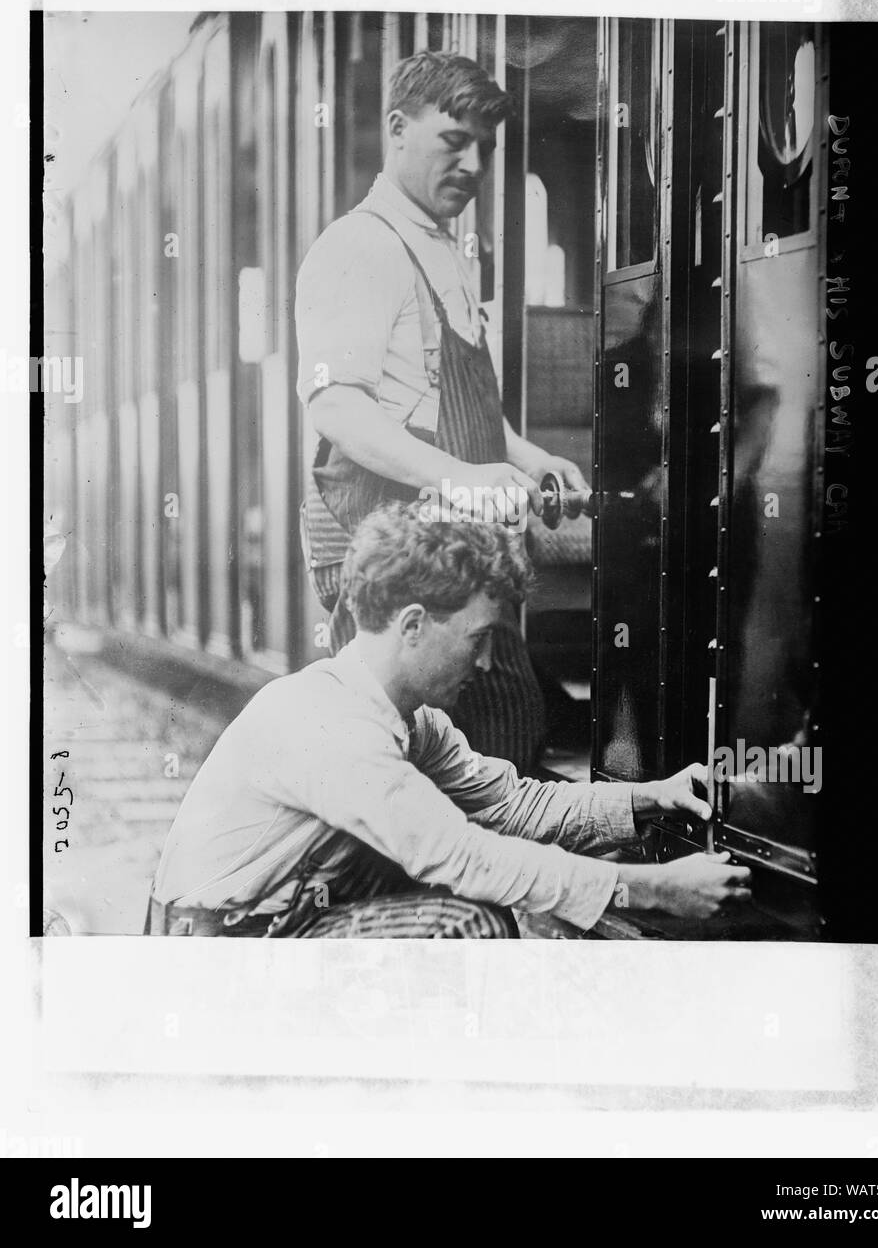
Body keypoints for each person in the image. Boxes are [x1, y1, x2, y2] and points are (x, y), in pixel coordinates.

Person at [146, 504, 752, 939]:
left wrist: (650, 798)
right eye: (480, 638)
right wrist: (653, 888)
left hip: (275, 926)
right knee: (467, 921)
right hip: (218, 958)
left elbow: (515, 808)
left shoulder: (412, 722)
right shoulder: (331, 728)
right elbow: (461, 855)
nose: (488, 663)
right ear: (413, 626)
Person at [295, 49, 588, 774]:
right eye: (452, 142)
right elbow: (335, 404)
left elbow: (455, 398)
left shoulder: (446, 255)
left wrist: (525, 458)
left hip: (448, 549)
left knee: (505, 727)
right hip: (391, 557)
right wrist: (462, 478)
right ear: (397, 129)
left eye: (482, 149)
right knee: (458, 751)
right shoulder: (360, 247)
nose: (473, 166)